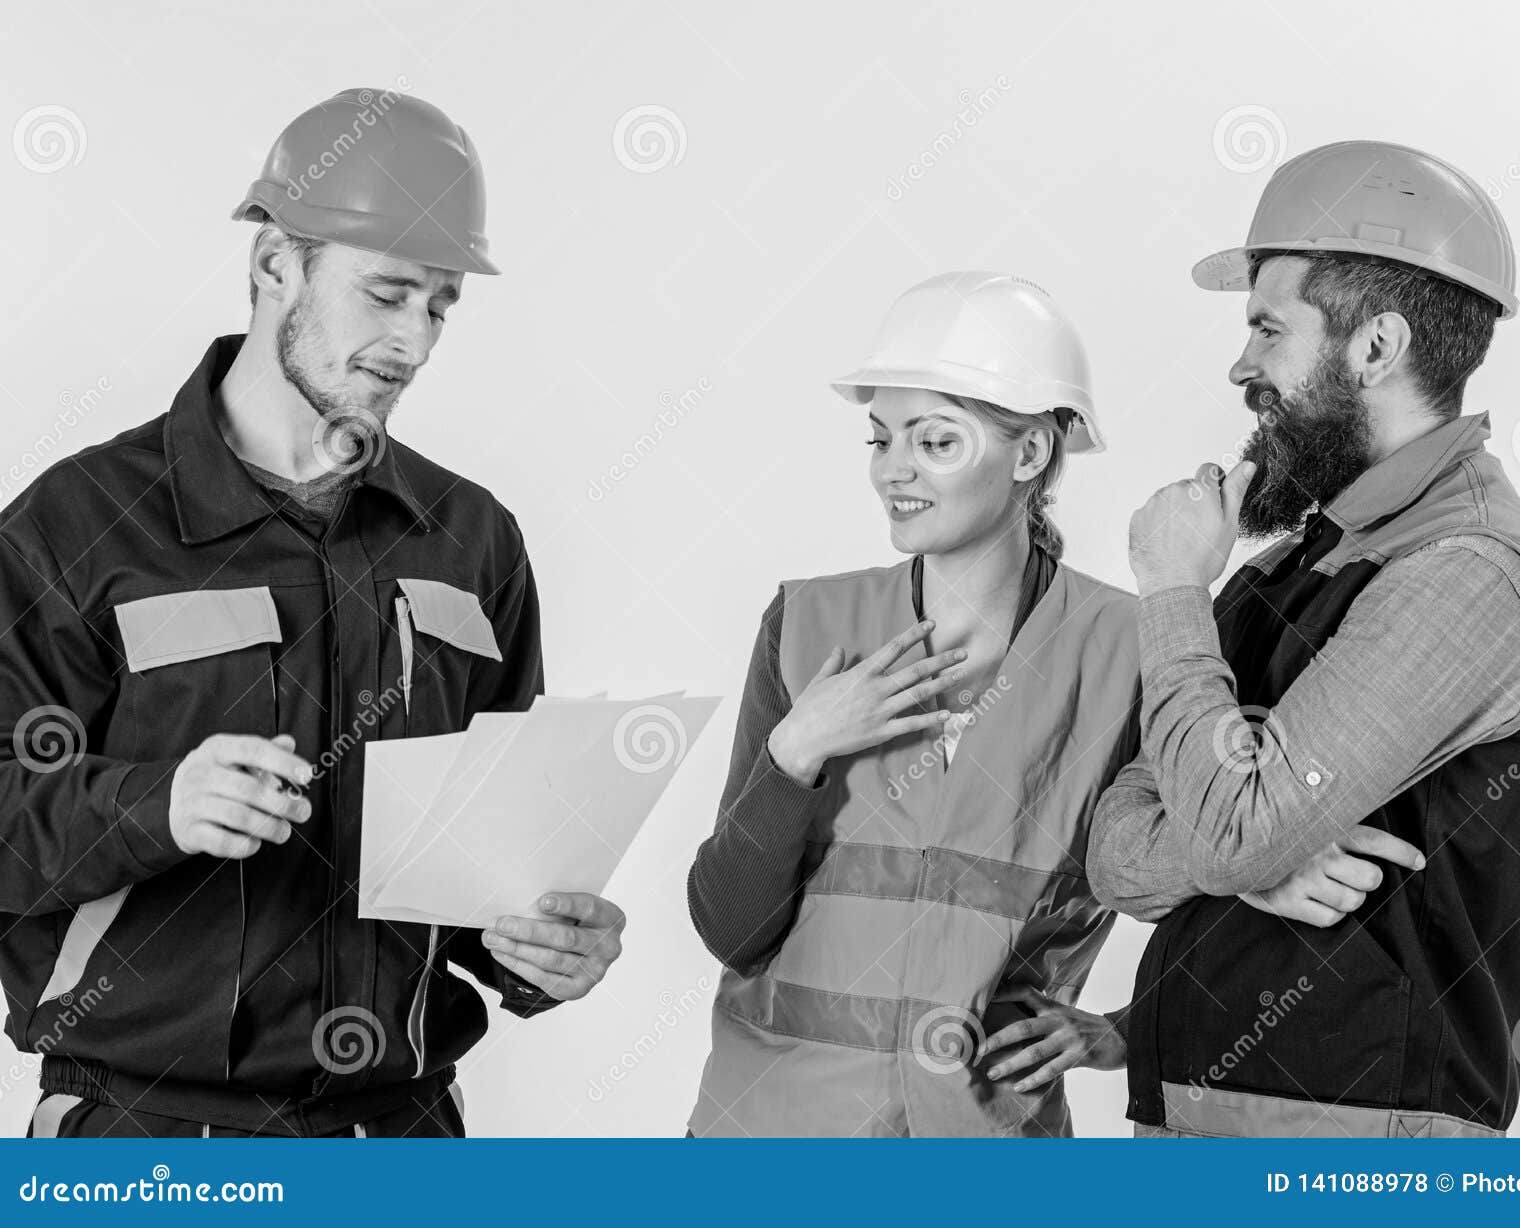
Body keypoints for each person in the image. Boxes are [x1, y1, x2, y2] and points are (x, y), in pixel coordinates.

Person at [0, 88, 625, 1138]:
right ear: (274, 267)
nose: (415, 341)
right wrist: (158, 804)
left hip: (405, 1134)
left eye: (440, 304)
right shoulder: (75, 528)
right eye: (387, 294)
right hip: (150, 1135)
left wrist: (541, 947)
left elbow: (493, 851)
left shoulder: (467, 540)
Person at [1084, 141, 1520, 1137]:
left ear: (1374, 346)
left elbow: (1231, 827)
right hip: (1188, 1122)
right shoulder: (1286, 566)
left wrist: (1174, 588)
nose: (1240, 365)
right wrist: (1254, 849)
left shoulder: (1467, 570)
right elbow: (1115, 856)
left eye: (1268, 328)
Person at [685, 271, 1140, 1137]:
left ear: (1032, 454)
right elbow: (729, 927)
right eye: (881, 438)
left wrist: (1123, 1033)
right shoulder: (809, 624)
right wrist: (795, 755)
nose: (893, 471)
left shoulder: (1127, 648)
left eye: (934, 442)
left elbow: (1208, 871)